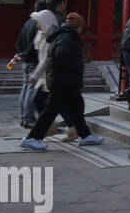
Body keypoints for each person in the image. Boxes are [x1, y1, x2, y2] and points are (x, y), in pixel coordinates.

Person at [21, 12, 103, 150]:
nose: (81, 31)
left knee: (77, 109)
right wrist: (75, 66)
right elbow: (61, 57)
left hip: (64, 80)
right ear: (77, 27)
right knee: (50, 111)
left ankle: (85, 135)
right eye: (81, 28)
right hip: (63, 81)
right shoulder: (67, 38)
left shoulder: (62, 36)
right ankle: (32, 138)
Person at [29, 0, 67, 134]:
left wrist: (35, 75)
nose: (37, 25)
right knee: (57, 104)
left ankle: (44, 131)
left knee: (42, 101)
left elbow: (46, 58)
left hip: (51, 76)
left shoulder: (49, 38)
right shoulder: (44, 35)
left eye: (39, 22)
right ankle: (74, 128)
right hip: (48, 76)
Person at [13, 2, 44, 129]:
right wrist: (27, 54)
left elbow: (19, 41)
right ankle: (29, 118)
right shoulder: (39, 24)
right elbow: (34, 44)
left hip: (26, 60)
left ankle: (24, 116)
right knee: (32, 89)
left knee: (26, 88)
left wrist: (21, 54)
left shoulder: (28, 22)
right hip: (33, 60)